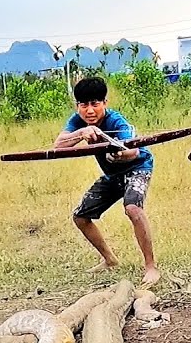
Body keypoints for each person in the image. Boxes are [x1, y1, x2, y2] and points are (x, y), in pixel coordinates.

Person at [54, 76, 160, 287]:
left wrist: (119, 154)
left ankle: (151, 267)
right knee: (80, 217)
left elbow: (133, 150)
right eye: (84, 105)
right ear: (78, 106)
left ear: (105, 103)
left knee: (133, 209)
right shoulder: (77, 121)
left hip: (137, 168)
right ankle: (109, 259)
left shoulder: (116, 120)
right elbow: (58, 145)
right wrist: (81, 133)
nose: (90, 110)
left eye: (95, 104)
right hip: (112, 176)